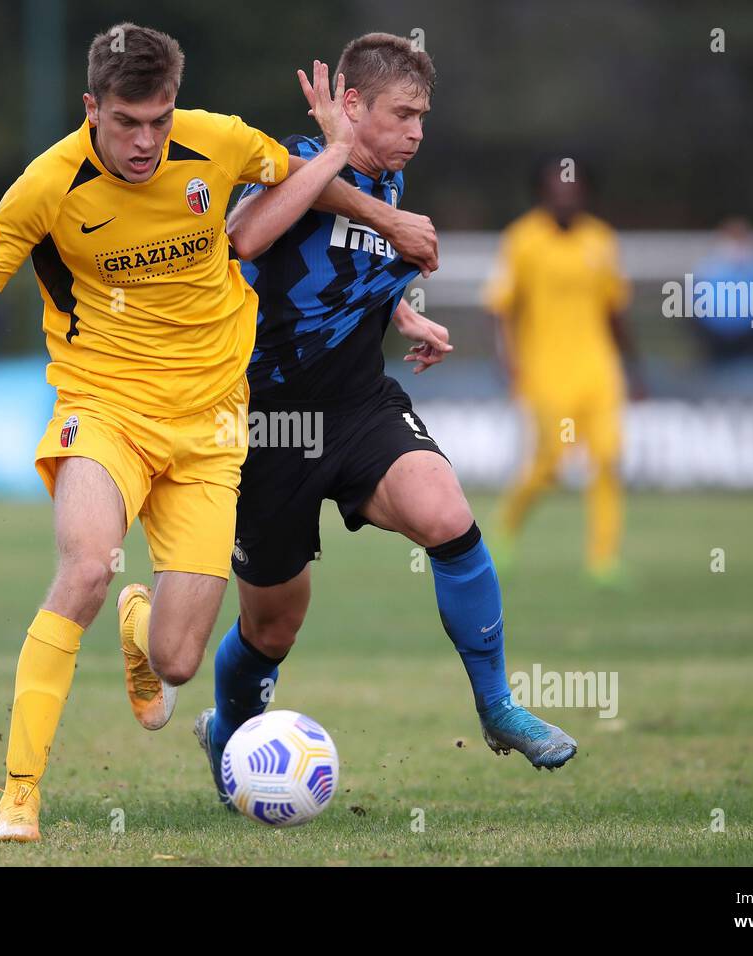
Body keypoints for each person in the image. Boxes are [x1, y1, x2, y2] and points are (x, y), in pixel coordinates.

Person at [0, 22, 361, 842]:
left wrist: (349, 172)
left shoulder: (220, 144)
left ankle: (139, 625)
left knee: (178, 664)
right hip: (105, 408)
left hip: (212, 426)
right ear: (93, 107)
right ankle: (19, 796)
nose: (147, 140)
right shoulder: (47, 183)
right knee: (85, 567)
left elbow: (294, 183)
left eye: (160, 119)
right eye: (128, 121)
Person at [191, 34, 578, 816]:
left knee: (447, 514)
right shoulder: (291, 157)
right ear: (352, 106)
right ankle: (230, 731)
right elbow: (246, 237)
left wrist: (401, 312)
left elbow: (339, 266)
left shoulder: (391, 183)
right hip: (268, 423)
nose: (417, 131)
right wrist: (369, 198)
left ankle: (498, 706)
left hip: (359, 405)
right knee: (273, 625)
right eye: (404, 114)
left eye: (424, 116)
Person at [486, 157, 640, 584]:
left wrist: (636, 369)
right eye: (558, 189)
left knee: (608, 457)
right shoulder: (522, 240)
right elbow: (501, 308)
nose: (566, 196)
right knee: (550, 465)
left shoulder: (601, 241)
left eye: (573, 188)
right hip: (545, 372)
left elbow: (616, 310)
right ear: (543, 194)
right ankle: (505, 528)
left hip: (598, 368)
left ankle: (603, 559)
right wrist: (508, 362)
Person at [690, 217, 753, 365]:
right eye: (732, 238)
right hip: (714, 338)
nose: (736, 246)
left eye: (740, 238)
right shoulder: (707, 269)